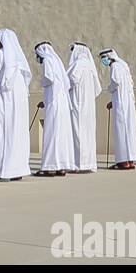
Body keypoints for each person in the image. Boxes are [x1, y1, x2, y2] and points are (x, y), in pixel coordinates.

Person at [33, 42, 76, 177]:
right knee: (60, 135)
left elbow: (48, 78)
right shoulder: (57, 61)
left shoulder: (47, 61)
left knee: (51, 133)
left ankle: (48, 166)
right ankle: (60, 166)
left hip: (54, 103)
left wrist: (41, 83)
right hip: (61, 102)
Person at [0, 28, 33, 181]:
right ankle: (17, 169)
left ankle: (3, 169)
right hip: (19, 101)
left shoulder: (0, 55)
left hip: (5, 100)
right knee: (18, 133)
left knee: (5, 132)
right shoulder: (18, 60)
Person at [99, 48, 136, 170]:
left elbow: (115, 82)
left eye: (103, 58)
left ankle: (123, 161)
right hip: (127, 102)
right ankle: (130, 160)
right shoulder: (124, 65)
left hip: (121, 103)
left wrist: (109, 89)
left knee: (121, 130)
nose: (103, 61)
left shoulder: (115, 66)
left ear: (109, 57)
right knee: (129, 130)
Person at [66, 43, 100, 172]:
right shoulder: (90, 66)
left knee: (78, 132)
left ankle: (79, 164)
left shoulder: (79, 64)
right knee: (88, 134)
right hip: (89, 107)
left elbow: (72, 79)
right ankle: (89, 163)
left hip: (78, 103)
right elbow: (98, 89)